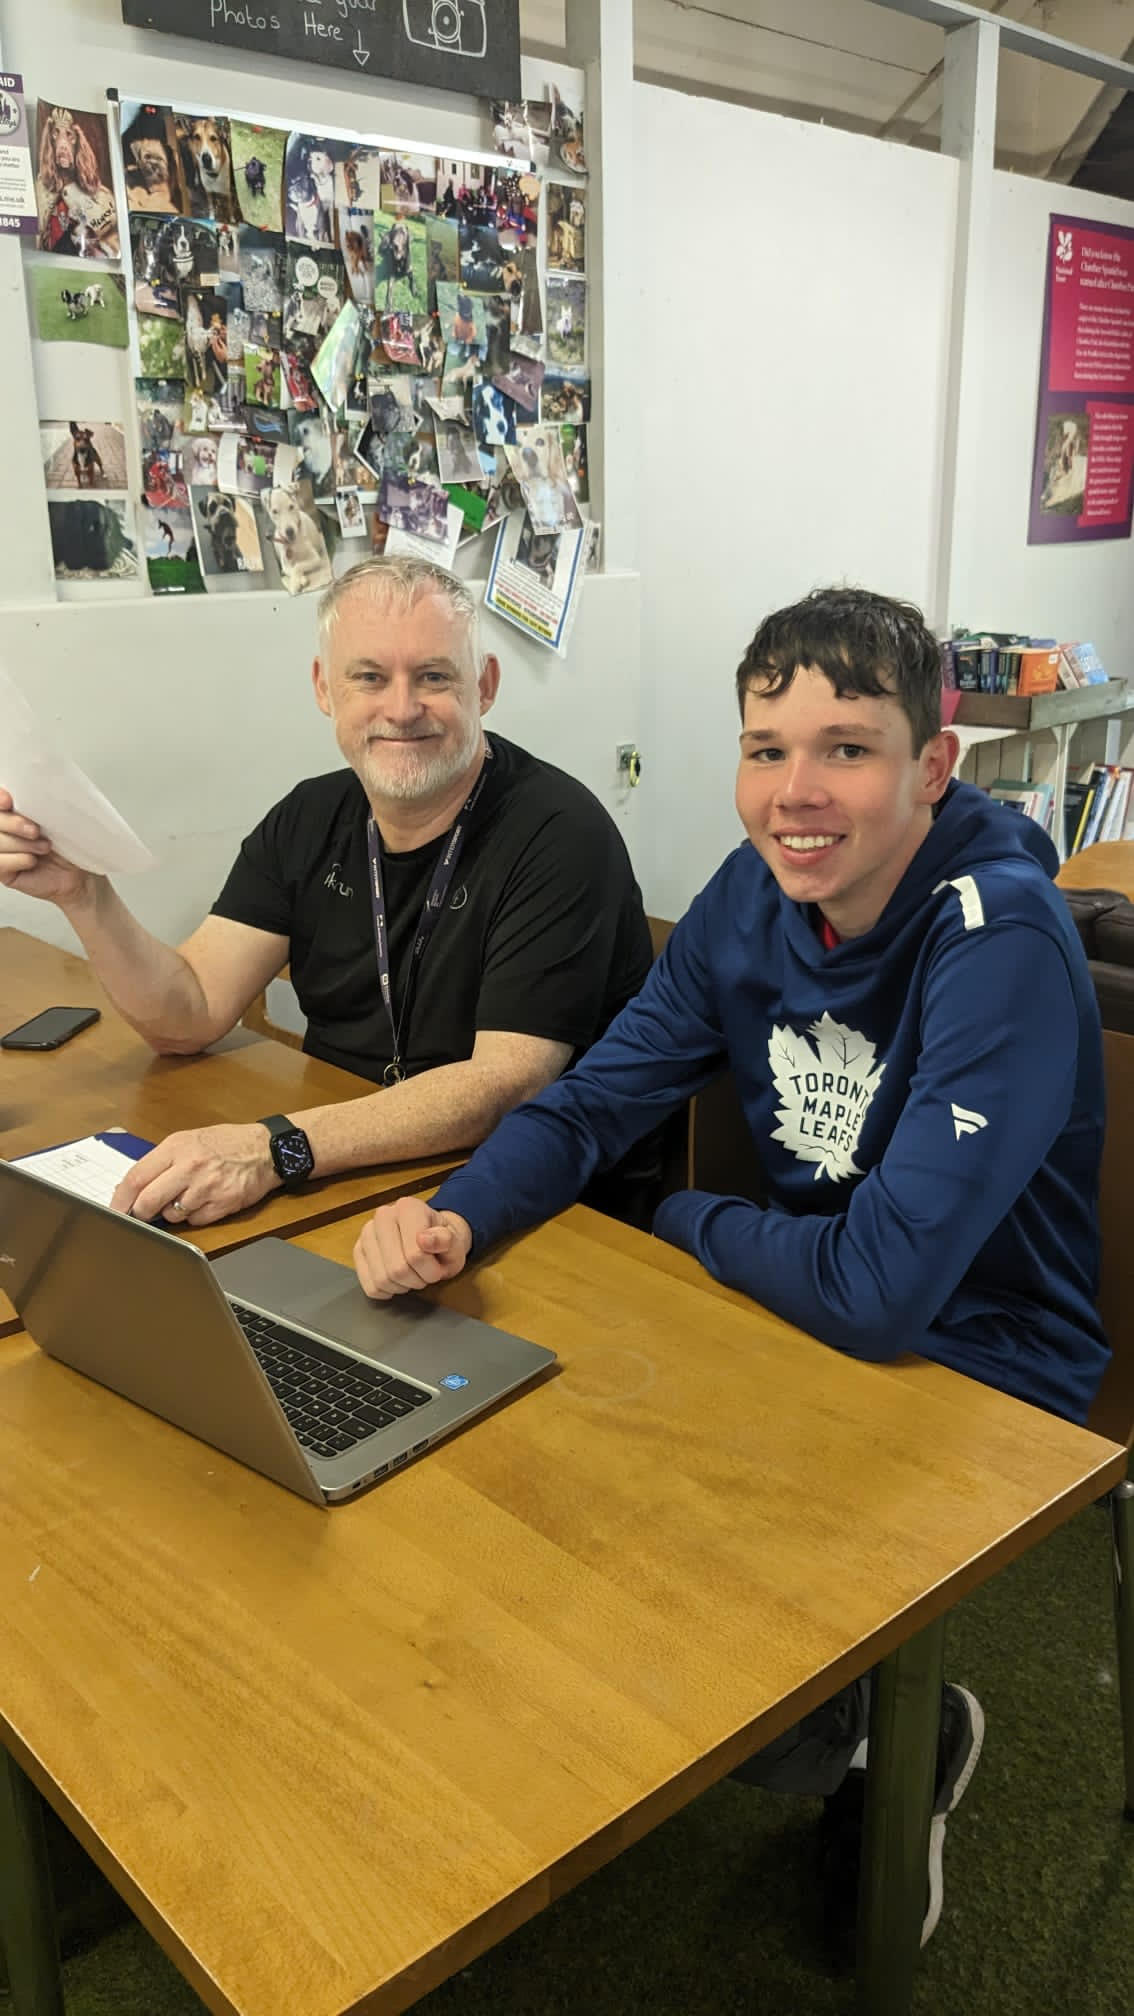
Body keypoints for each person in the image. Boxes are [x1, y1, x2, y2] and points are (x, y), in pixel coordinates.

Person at [351, 584, 1109, 1952]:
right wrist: (457, 1217)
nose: (794, 794)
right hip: (805, 1306)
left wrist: (691, 1222)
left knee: (668, 1590)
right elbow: (592, 1106)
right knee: (523, 1497)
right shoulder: (747, 896)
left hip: (981, 1358)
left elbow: (881, 1293)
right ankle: (830, 1717)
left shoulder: (997, 939)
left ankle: (894, 1730)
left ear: (932, 764)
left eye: (847, 748)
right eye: (767, 749)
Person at [0, 556, 654, 1231]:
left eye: (433, 676)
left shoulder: (560, 835)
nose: (401, 709)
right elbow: (187, 1015)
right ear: (324, 687)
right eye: (370, 677)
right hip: (347, 1170)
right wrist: (85, 895)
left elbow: (504, 1087)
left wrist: (273, 1150)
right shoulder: (309, 818)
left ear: (484, 686)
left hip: (537, 1203)